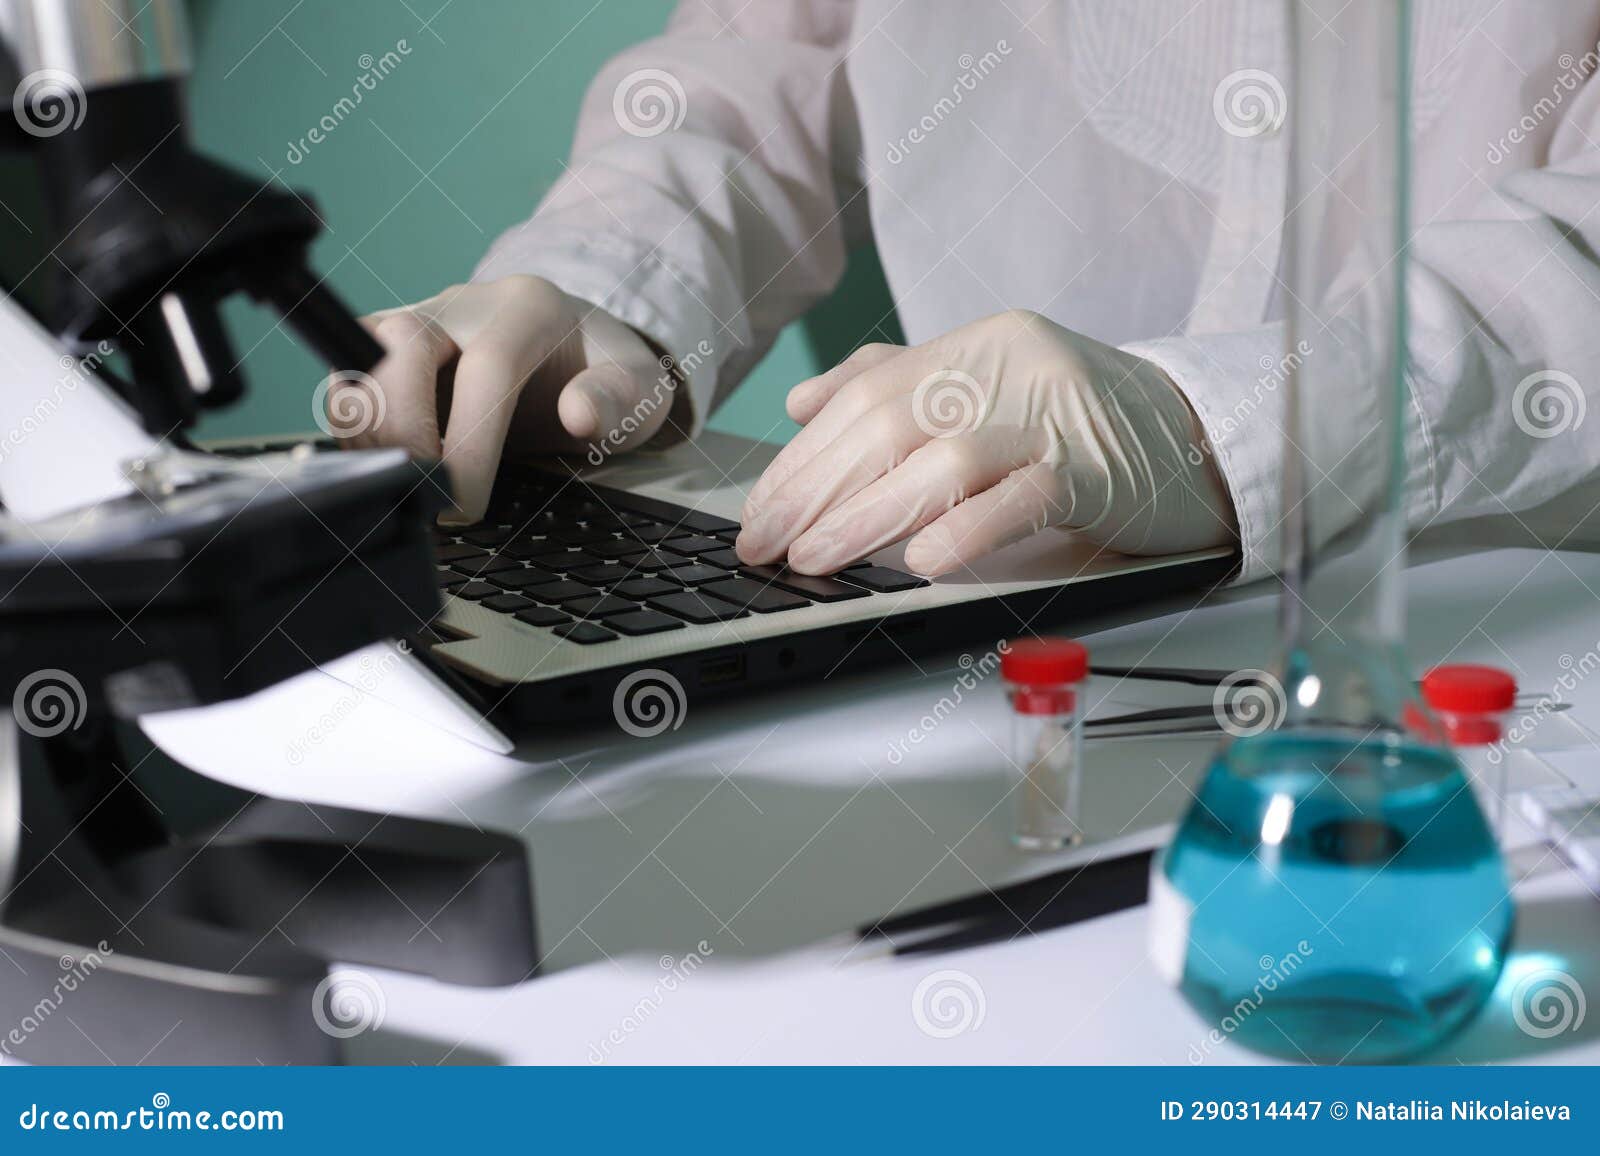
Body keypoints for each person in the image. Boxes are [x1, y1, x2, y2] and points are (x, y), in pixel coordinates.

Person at [337, 0, 1600, 583]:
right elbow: (760, 54)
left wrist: (1220, 424)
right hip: (985, 625)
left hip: (1508, 647)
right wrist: (600, 301)